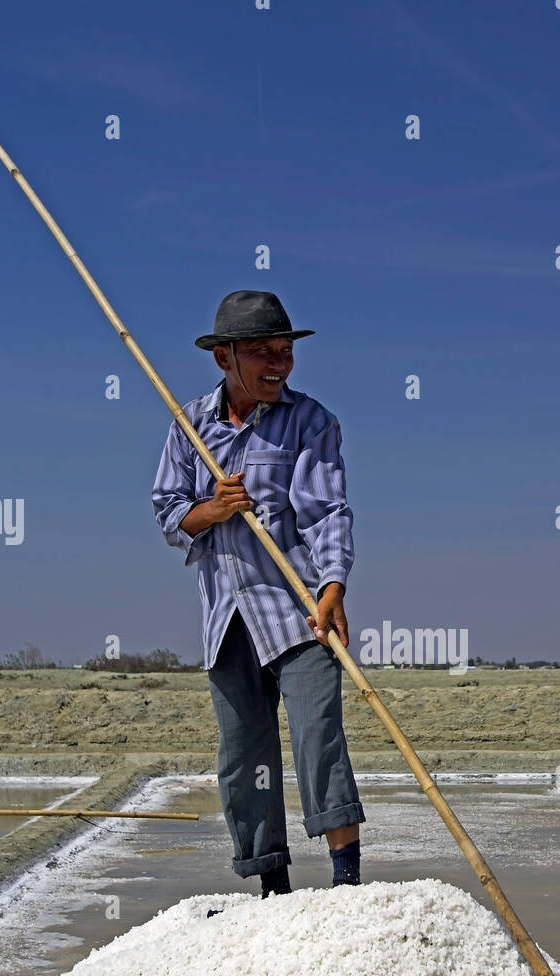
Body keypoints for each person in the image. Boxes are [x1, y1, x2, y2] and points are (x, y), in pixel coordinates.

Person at [152, 290, 364, 896]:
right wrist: (212, 509)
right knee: (246, 757)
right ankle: (272, 888)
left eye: (284, 352)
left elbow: (326, 513)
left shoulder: (311, 422)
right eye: (261, 353)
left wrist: (332, 586)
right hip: (227, 618)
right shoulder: (189, 426)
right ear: (224, 357)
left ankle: (347, 886)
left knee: (318, 737)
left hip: (299, 612)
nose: (277, 364)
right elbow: (169, 514)